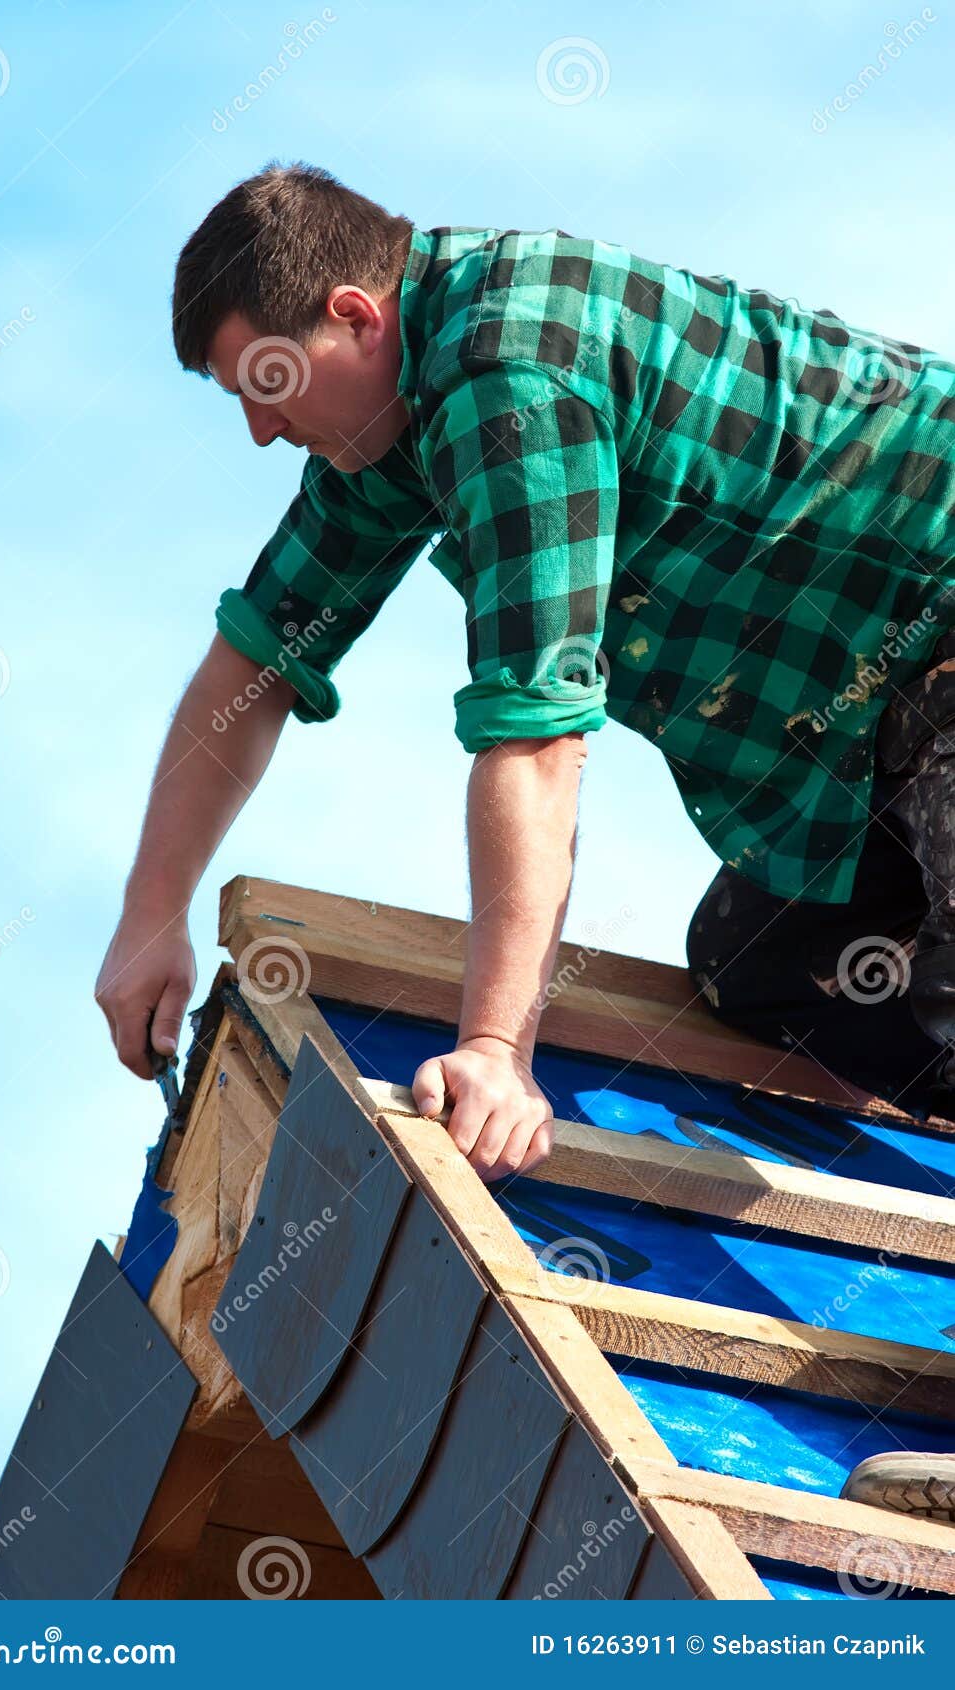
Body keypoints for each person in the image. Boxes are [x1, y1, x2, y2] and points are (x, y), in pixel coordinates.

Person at [95, 160, 955, 1522]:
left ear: (352, 316)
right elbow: (245, 674)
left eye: (266, 386)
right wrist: (152, 912)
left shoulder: (508, 373)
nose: (262, 437)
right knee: (769, 966)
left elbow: (537, 741)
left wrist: (499, 1050)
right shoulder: (398, 421)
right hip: (890, 726)